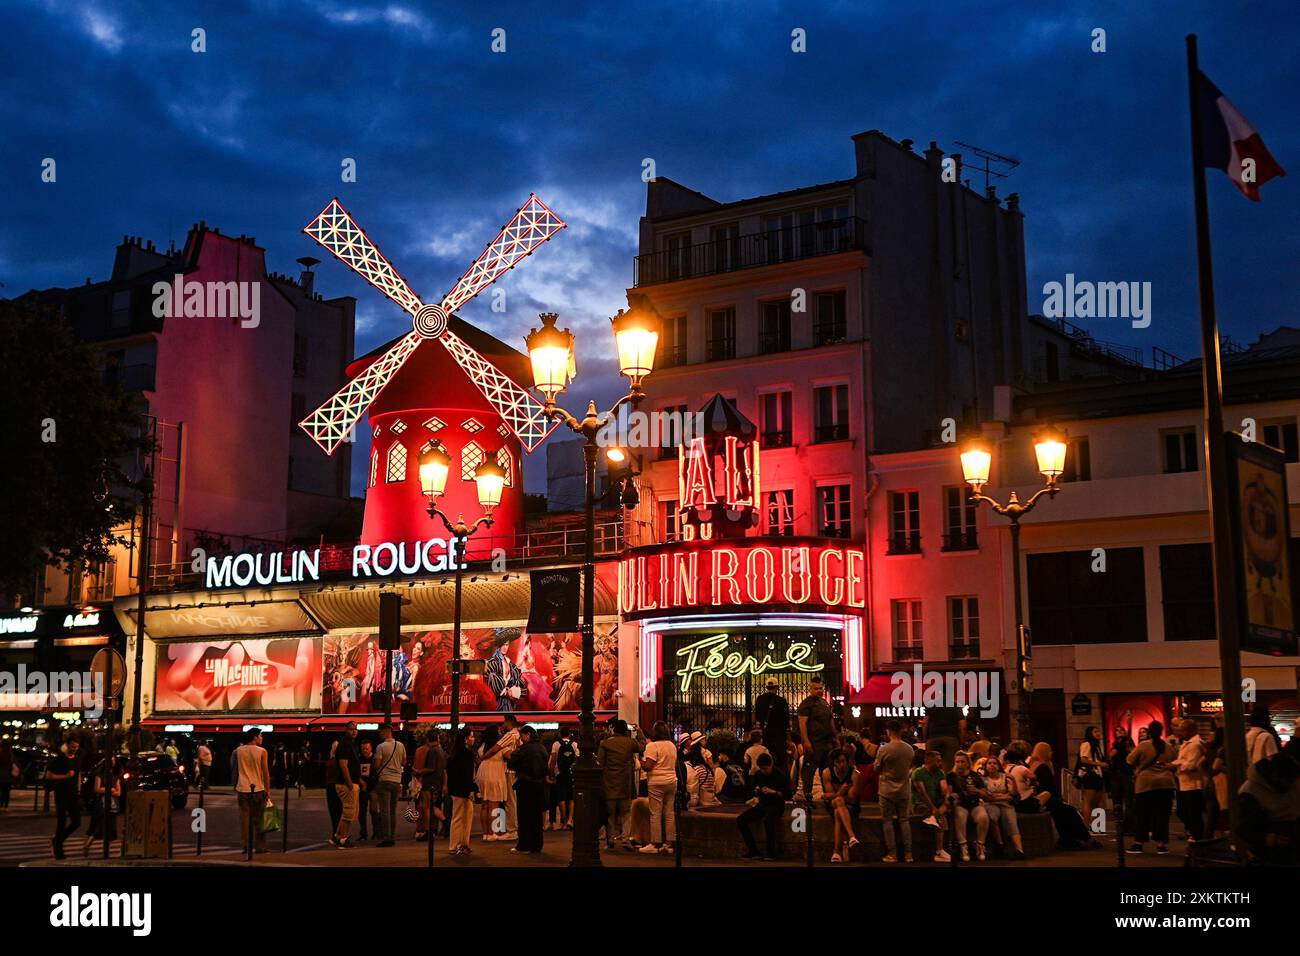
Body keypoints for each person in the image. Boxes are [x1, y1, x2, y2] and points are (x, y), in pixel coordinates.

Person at [1236, 748, 1300, 865]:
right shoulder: (1250, 792)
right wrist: (1270, 838)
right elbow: (1244, 829)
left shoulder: (1294, 781)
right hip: (1269, 852)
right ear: (1274, 777)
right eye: (1288, 781)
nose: (1292, 785)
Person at [1029, 742, 1094, 850]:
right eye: (1049, 751)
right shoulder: (1043, 767)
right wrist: (1059, 798)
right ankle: (1085, 838)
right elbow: (1049, 787)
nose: (1051, 753)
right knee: (1069, 810)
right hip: (1045, 799)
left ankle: (1070, 840)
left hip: (1039, 798)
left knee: (1064, 811)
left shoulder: (1032, 764)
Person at [1127, 721, 1176, 855]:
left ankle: (1139, 843)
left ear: (1149, 732)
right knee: (1162, 815)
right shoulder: (1168, 747)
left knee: (1143, 814)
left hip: (1146, 784)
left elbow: (1130, 760)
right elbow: (1174, 760)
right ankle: (1161, 845)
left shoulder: (1143, 745)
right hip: (1166, 783)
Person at [597, 719, 641, 848]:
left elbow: (600, 763)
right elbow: (642, 745)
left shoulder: (605, 744)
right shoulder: (630, 743)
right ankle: (626, 839)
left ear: (614, 729)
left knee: (610, 814)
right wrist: (639, 731)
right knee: (626, 813)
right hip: (625, 784)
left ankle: (610, 840)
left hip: (609, 784)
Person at [875, 720, 915, 863]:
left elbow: (876, 768)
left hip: (886, 790)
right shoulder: (909, 749)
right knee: (904, 820)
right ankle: (908, 854)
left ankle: (892, 853)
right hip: (903, 789)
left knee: (887, 821)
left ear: (888, 731)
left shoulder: (884, 749)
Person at [738, 752, 788, 860]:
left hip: (776, 805)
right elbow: (753, 790)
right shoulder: (758, 775)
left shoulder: (779, 775)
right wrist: (756, 791)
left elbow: (787, 795)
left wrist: (773, 792)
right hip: (763, 804)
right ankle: (753, 851)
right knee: (741, 820)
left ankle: (771, 852)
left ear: (771, 765)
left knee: (768, 820)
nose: (763, 771)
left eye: (765, 768)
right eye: (761, 769)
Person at [508, 725, 549, 854]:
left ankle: (524, 845)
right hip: (539, 785)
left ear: (527, 735)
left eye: (522, 736)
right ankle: (537, 845)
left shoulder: (524, 749)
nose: (521, 739)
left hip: (525, 785)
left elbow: (512, 762)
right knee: (536, 817)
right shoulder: (542, 748)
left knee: (524, 816)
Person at [638, 721, 678, 854]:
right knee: (669, 812)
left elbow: (648, 766)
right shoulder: (672, 745)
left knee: (655, 813)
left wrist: (640, 761)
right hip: (672, 780)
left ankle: (655, 843)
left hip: (657, 781)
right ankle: (669, 844)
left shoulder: (652, 746)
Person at [796, 676, 836, 804]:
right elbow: (802, 724)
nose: (819, 690)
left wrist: (835, 736)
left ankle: (827, 795)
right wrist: (806, 741)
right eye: (816, 688)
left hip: (826, 742)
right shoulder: (806, 704)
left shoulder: (824, 703)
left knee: (826, 770)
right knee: (809, 770)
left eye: (820, 688)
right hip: (814, 742)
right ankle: (807, 795)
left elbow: (830, 720)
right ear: (811, 689)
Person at [978, 755, 1026, 859]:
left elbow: (1012, 794)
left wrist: (1013, 781)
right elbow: (987, 797)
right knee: (993, 817)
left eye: (994, 763)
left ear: (999, 766)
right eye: (989, 764)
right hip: (991, 804)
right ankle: (999, 844)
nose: (992, 766)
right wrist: (1003, 796)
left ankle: (1019, 850)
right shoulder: (983, 780)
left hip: (1005, 804)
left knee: (1011, 820)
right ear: (986, 767)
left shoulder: (1006, 777)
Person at [946, 751, 991, 861]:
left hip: (974, 804)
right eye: (957, 762)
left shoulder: (974, 776)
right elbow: (948, 793)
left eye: (962, 762)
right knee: (960, 815)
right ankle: (963, 846)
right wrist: (953, 795)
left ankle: (980, 845)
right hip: (960, 804)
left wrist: (976, 790)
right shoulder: (951, 776)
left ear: (967, 763)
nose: (960, 764)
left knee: (983, 817)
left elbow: (985, 794)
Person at [234, 728, 272, 854]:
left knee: (245, 820)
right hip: (258, 789)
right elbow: (265, 772)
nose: (262, 738)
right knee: (260, 820)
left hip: (242, 788)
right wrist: (268, 790)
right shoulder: (262, 751)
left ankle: (246, 845)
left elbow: (234, 769)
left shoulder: (238, 750)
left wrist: (235, 784)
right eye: (260, 736)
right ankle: (261, 847)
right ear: (255, 737)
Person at [911, 750, 952, 862]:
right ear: (928, 761)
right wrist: (933, 809)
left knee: (950, 802)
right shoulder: (918, 772)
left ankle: (933, 818)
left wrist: (947, 796)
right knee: (941, 818)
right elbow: (922, 793)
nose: (940, 763)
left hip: (936, 804)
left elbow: (944, 787)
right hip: (920, 804)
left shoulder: (940, 772)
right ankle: (939, 852)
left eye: (940, 761)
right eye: (938, 761)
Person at [821, 748, 860, 862]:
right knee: (838, 802)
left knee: (838, 811)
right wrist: (841, 791)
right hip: (833, 803)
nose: (842, 764)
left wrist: (835, 795)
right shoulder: (827, 773)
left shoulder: (855, 774)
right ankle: (851, 836)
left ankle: (836, 852)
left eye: (844, 761)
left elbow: (852, 798)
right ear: (834, 762)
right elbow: (830, 796)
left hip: (851, 806)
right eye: (839, 762)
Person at [372, 723, 408, 847]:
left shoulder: (380, 747)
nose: (379, 734)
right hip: (397, 781)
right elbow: (404, 762)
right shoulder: (401, 745)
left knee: (385, 811)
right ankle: (392, 835)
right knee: (392, 811)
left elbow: (377, 765)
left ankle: (386, 837)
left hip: (385, 780)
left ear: (386, 731)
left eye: (380, 731)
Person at [47, 736, 82, 859]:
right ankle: (59, 851)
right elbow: (49, 775)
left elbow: (78, 775)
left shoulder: (77, 760)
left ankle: (58, 840)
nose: (74, 749)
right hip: (61, 793)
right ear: (67, 745)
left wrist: (79, 790)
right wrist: (65, 776)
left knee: (76, 822)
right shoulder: (59, 759)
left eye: (76, 747)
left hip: (73, 794)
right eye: (73, 746)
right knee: (61, 821)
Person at [1172, 718, 1207, 843]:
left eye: (1183, 730)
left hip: (1193, 784)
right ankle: (1195, 832)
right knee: (1182, 811)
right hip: (1184, 783)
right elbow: (1182, 759)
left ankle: (1198, 835)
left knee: (1193, 812)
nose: (1181, 733)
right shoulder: (1187, 743)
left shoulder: (1196, 744)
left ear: (1191, 730)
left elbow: (1191, 764)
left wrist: (1176, 766)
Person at [446, 727, 477, 856]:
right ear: (465, 739)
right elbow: (467, 774)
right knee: (464, 818)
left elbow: (451, 772)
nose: (473, 739)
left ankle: (459, 844)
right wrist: (471, 790)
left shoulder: (454, 753)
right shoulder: (467, 754)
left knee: (459, 817)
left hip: (456, 789)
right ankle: (460, 844)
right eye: (471, 736)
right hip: (463, 790)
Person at [83, 756, 123, 855]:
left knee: (111, 828)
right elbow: (97, 789)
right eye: (110, 760)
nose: (112, 762)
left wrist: (108, 790)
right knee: (99, 826)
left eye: (113, 760)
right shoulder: (99, 775)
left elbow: (119, 793)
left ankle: (107, 850)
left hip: (112, 805)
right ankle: (87, 845)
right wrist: (110, 790)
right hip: (101, 804)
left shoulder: (115, 776)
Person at [475, 726, 509, 841]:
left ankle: (485, 833)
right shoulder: (500, 746)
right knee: (494, 805)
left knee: (484, 805)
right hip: (494, 773)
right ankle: (492, 833)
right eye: (499, 731)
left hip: (482, 773)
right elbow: (510, 756)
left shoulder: (482, 746)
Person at [412, 729, 445, 842]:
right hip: (437, 782)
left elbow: (431, 768)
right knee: (428, 806)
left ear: (427, 740)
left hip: (429, 782)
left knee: (427, 807)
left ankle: (430, 830)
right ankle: (436, 826)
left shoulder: (432, 751)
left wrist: (419, 772)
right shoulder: (441, 750)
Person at [331, 722, 360, 849]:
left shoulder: (350, 744)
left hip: (349, 782)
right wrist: (349, 783)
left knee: (349, 812)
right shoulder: (345, 744)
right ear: (346, 730)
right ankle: (342, 839)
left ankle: (338, 836)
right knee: (348, 813)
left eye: (356, 729)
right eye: (351, 729)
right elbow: (343, 765)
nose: (354, 731)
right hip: (346, 783)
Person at [754, 677, 790, 774]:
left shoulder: (760, 699)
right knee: (780, 759)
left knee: (766, 757)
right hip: (779, 735)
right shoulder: (781, 701)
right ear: (777, 687)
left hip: (765, 734)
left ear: (766, 687)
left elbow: (757, 716)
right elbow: (786, 719)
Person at [496, 714, 522, 840]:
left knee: (510, 800)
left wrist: (483, 758)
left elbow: (497, 747)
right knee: (513, 800)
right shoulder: (518, 735)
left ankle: (511, 830)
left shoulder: (510, 735)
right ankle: (512, 828)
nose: (503, 725)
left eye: (504, 722)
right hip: (516, 772)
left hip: (509, 771)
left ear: (509, 722)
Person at [548, 726, 578, 830]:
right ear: (569, 734)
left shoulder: (556, 744)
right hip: (571, 774)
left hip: (559, 774)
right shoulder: (574, 744)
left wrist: (552, 774)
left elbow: (552, 761)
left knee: (561, 798)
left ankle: (564, 822)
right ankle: (570, 819)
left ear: (560, 734)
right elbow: (577, 760)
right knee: (571, 797)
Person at [1076, 726, 1106, 825]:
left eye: (1098, 731)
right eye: (1095, 732)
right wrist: (1099, 764)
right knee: (1089, 802)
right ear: (1090, 733)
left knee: (1099, 801)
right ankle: (1086, 826)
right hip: (1090, 775)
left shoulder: (1097, 746)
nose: (1098, 733)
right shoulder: (1086, 744)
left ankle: (1098, 826)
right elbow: (1083, 759)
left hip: (1097, 775)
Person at [921, 705, 965, 772]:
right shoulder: (956, 705)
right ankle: (947, 781)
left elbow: (924, 723)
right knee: (950, 768)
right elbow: (963, 726)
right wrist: (961, 742)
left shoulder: (931, 704)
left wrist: (925, 739)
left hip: (933, 738)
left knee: (930, 767)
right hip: (951, 738)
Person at [356, 738, 376, 841]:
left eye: (366, 749)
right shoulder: (359, 759)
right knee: (361, 812)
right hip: (362, 789)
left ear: (371, 748)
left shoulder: (375, 759)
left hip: (373, 788)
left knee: (374, 811)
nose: (364, 751)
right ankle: (363, 833)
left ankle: (376, 832)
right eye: (363, 749)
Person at [324, 740, 342, 834]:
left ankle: (335, 831)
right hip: (337, 786)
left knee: (333, 811)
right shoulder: (339, 761)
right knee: (339, 811)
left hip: (330, 786)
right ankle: (338, 832)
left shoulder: (330, 760)